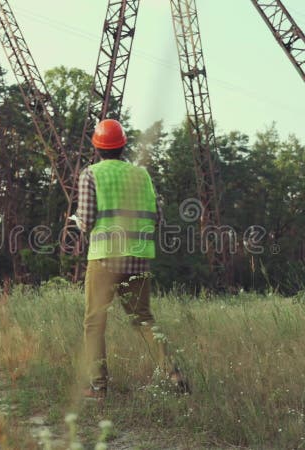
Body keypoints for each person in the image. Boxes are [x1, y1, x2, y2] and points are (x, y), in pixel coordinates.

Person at [74, 118, 188, 400]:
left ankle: (99, 387)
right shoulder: (142, 176)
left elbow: (87, 221)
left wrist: (77, 221)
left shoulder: (91, 174)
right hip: (138, 257)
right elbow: (158, 218)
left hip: (104, 259)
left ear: (97, 147)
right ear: (123, 146)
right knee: (143, 318)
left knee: (94, 322)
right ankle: (172, 372)